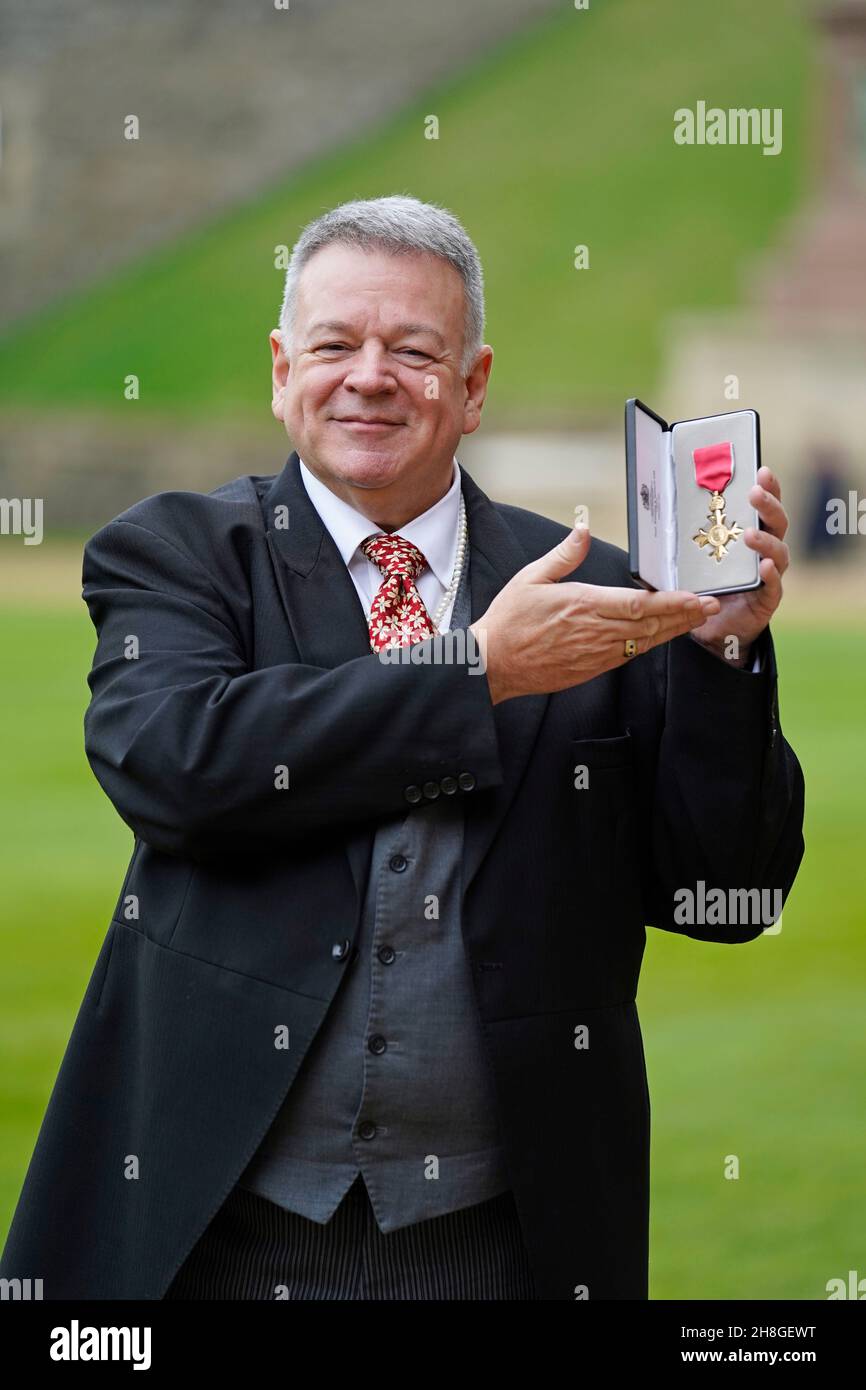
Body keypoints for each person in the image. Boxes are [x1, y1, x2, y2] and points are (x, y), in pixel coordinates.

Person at [0, 195, 805, 1301]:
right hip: (213, 1223)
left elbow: (730, 894)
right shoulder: (176, 553)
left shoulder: (603, 588)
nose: (368, 375)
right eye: (334, 344)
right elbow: (175, 766)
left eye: (414, 350)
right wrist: (476, 673)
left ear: (471, 386)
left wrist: (719, 663)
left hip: (502, 1239)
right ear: (284, 369)